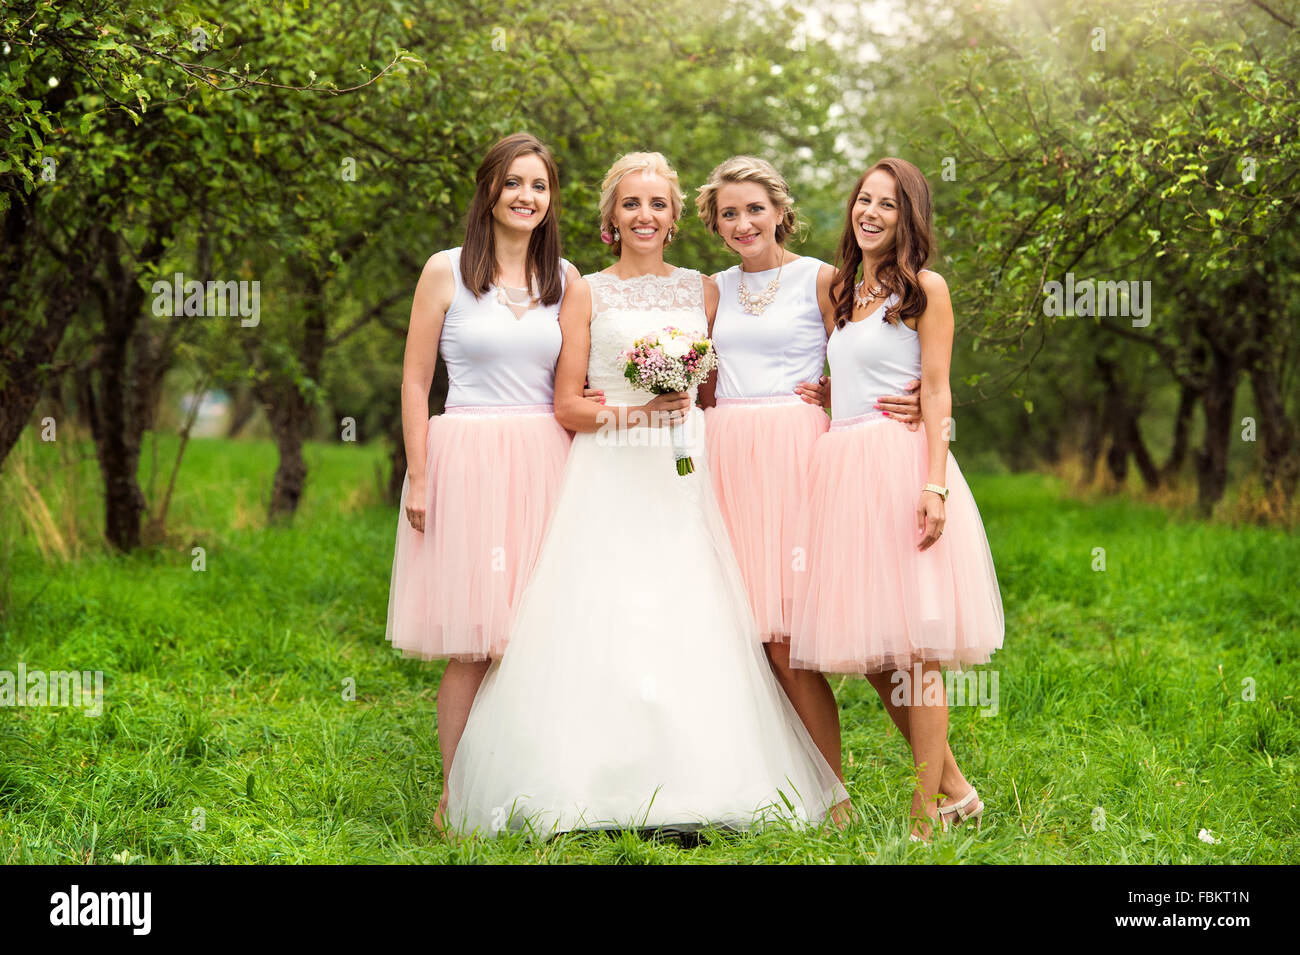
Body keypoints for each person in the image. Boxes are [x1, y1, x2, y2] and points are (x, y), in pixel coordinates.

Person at [446, 152, 846, 838]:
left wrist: (826, 390)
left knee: (690, 610)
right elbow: (567, 405)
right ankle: (594, 782)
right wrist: (634, 414)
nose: (645, 216)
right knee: (603, 613)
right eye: (631, 204)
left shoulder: (703, 291)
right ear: (611, 218)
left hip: (684, 474)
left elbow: (727, 381)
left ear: (675, 216)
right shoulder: (585, 291)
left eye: (658, 203)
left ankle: (695, 783)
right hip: (608, 470)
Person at [384, 133, 601, 832]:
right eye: (513, 183)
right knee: (474, 638)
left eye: (538, 186)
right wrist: (419, 475)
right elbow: (416, 382)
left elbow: (580, 384)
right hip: (467, 456)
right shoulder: (445, 271)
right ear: (489, 191)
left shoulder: (566, 279)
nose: (526, 197)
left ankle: (530, 785)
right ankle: (455, 794)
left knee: (535, 632)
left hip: (544, 459)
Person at [695, 156, 920, 824]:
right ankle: (830, 795)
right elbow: (705, 383)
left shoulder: (821, 279)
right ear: (713, 221)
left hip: (801, 456)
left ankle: (943, 777)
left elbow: (863, 353)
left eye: (754, 209)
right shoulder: (711, 290)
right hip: (730, 455)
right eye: (729, 213)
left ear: (779, 211)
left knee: (828, 627)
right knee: (767, 639)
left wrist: (911, 399)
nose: (743, 223)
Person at [791, 158, 1004, 842]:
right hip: (843, 466)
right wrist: (831, 394)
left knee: (917, 650)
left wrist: (934, 482)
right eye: (863, 200)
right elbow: (850, 369)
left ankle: (925, 813)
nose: (870, 212)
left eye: (887, 203)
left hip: (901, 463)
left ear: (907, 216)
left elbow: (937, 390)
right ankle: (956, 788)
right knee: (877, 655)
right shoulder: (841, 290)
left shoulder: (925, 290)